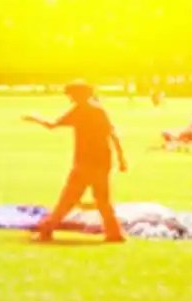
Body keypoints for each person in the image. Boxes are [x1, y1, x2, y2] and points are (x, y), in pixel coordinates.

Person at [23, 81, 128, 243]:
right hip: (102, 161)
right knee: (103, 200)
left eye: (71, 94)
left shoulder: (81, 110)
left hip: (84, 162)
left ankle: (47, 230)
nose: (70, 98)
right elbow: (112, 133)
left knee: (68, 199)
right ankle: (114, 233)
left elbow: (52, 125)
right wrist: (121, 157)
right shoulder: (98, 110)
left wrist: (35, 117)